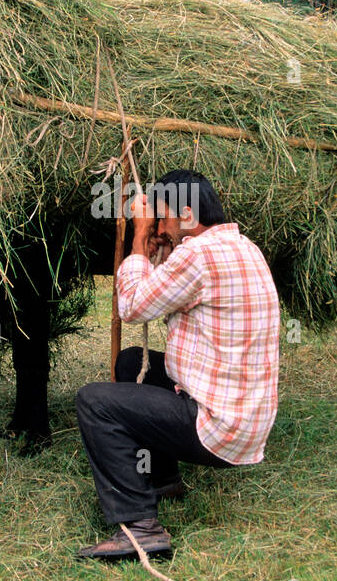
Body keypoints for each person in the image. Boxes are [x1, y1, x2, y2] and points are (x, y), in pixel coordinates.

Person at [74, 170, 280, 560]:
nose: (160, 227)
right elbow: (172, 287)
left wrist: (138, 237)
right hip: (245, 421)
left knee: (94, 401)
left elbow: (132, 307)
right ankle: (164, 479)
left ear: (187, 214)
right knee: (133, 361)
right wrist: (160, 246)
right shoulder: (242, 246)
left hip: (217, 428)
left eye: (163, 218)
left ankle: (140, 526)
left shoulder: (199, 255)